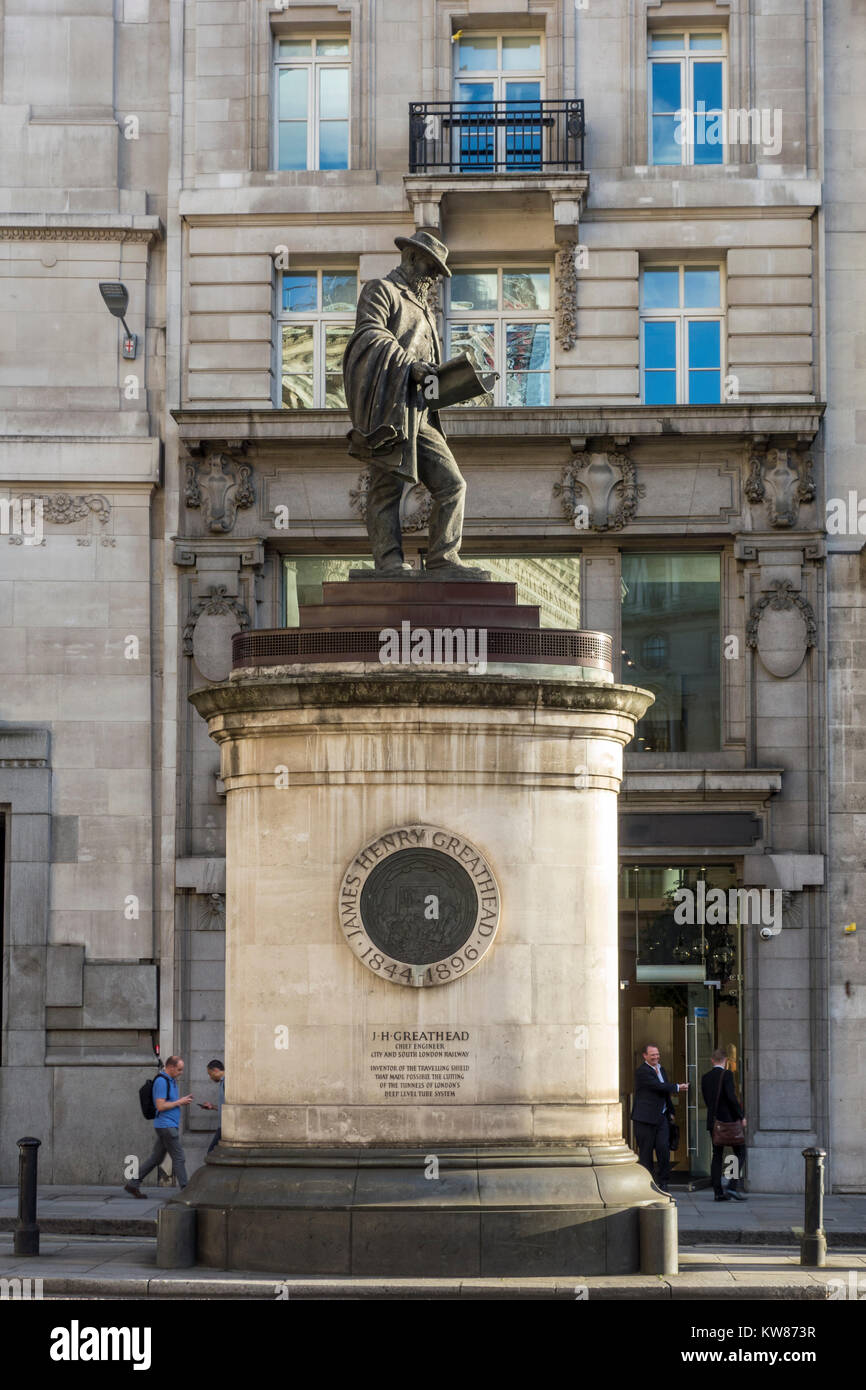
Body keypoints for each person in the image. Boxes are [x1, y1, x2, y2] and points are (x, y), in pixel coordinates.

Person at [342, 230, 478, 577]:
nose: (434, 279)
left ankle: (442, 559)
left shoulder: (424, 309)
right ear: (412, 259)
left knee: (452, 484)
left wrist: (450, 383)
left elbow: (426, 362)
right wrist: (409, 366)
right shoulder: (381, 290)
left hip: (421, 410)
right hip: (390, 405)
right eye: (431, 269)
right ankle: (388, 562)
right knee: (387, 486)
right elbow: (368, 335)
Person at [123, 1054, 192, 1197]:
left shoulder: (170, 1080)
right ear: (171, 1067)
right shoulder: (162, 1082)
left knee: (156, 1158)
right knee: (179, 1157)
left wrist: (179, 1101)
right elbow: (160, 1106)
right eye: (179, 1069)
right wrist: (180, 1102)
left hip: (166, 1125)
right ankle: (186, 1190)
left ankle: (132, 1184)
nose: (181, 1073)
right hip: (166, 1126)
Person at [631, 1042, 688, 1193]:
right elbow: (658, 1086)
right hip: (644, 1119)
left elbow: (664, 1091)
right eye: (652, 1055)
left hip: (661, 1117)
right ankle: (647, 1183)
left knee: (663, 1149)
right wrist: (677, 1087)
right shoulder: (642, 1071)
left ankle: (664, 1182)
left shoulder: (661, 1068)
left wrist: (671, 1111)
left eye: (657, 1054)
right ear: (645, 1056)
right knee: (646, 1152)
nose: (656, 1057)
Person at [701, 1047, 747, 1202]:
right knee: (739, 1152)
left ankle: (718, 1193)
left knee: (717, 1155)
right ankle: (732, 1186)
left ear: (712, 1060)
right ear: (726, 1060)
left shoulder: (705, 1077)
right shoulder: (727, 1074)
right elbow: (731, 1098)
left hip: (713, 1122)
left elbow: (707, 1100)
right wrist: (740, 1116)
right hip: (729, 1121)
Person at [199, 1059, 225, 1154]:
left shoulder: (227, 1083)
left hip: (225, 1126)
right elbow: (225, 1107)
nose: (210, 1077)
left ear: (216, 1070)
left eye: (210, 1074)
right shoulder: (223, 1082)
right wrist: (212, 1107)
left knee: (211, 1152)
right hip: (223, 1125)